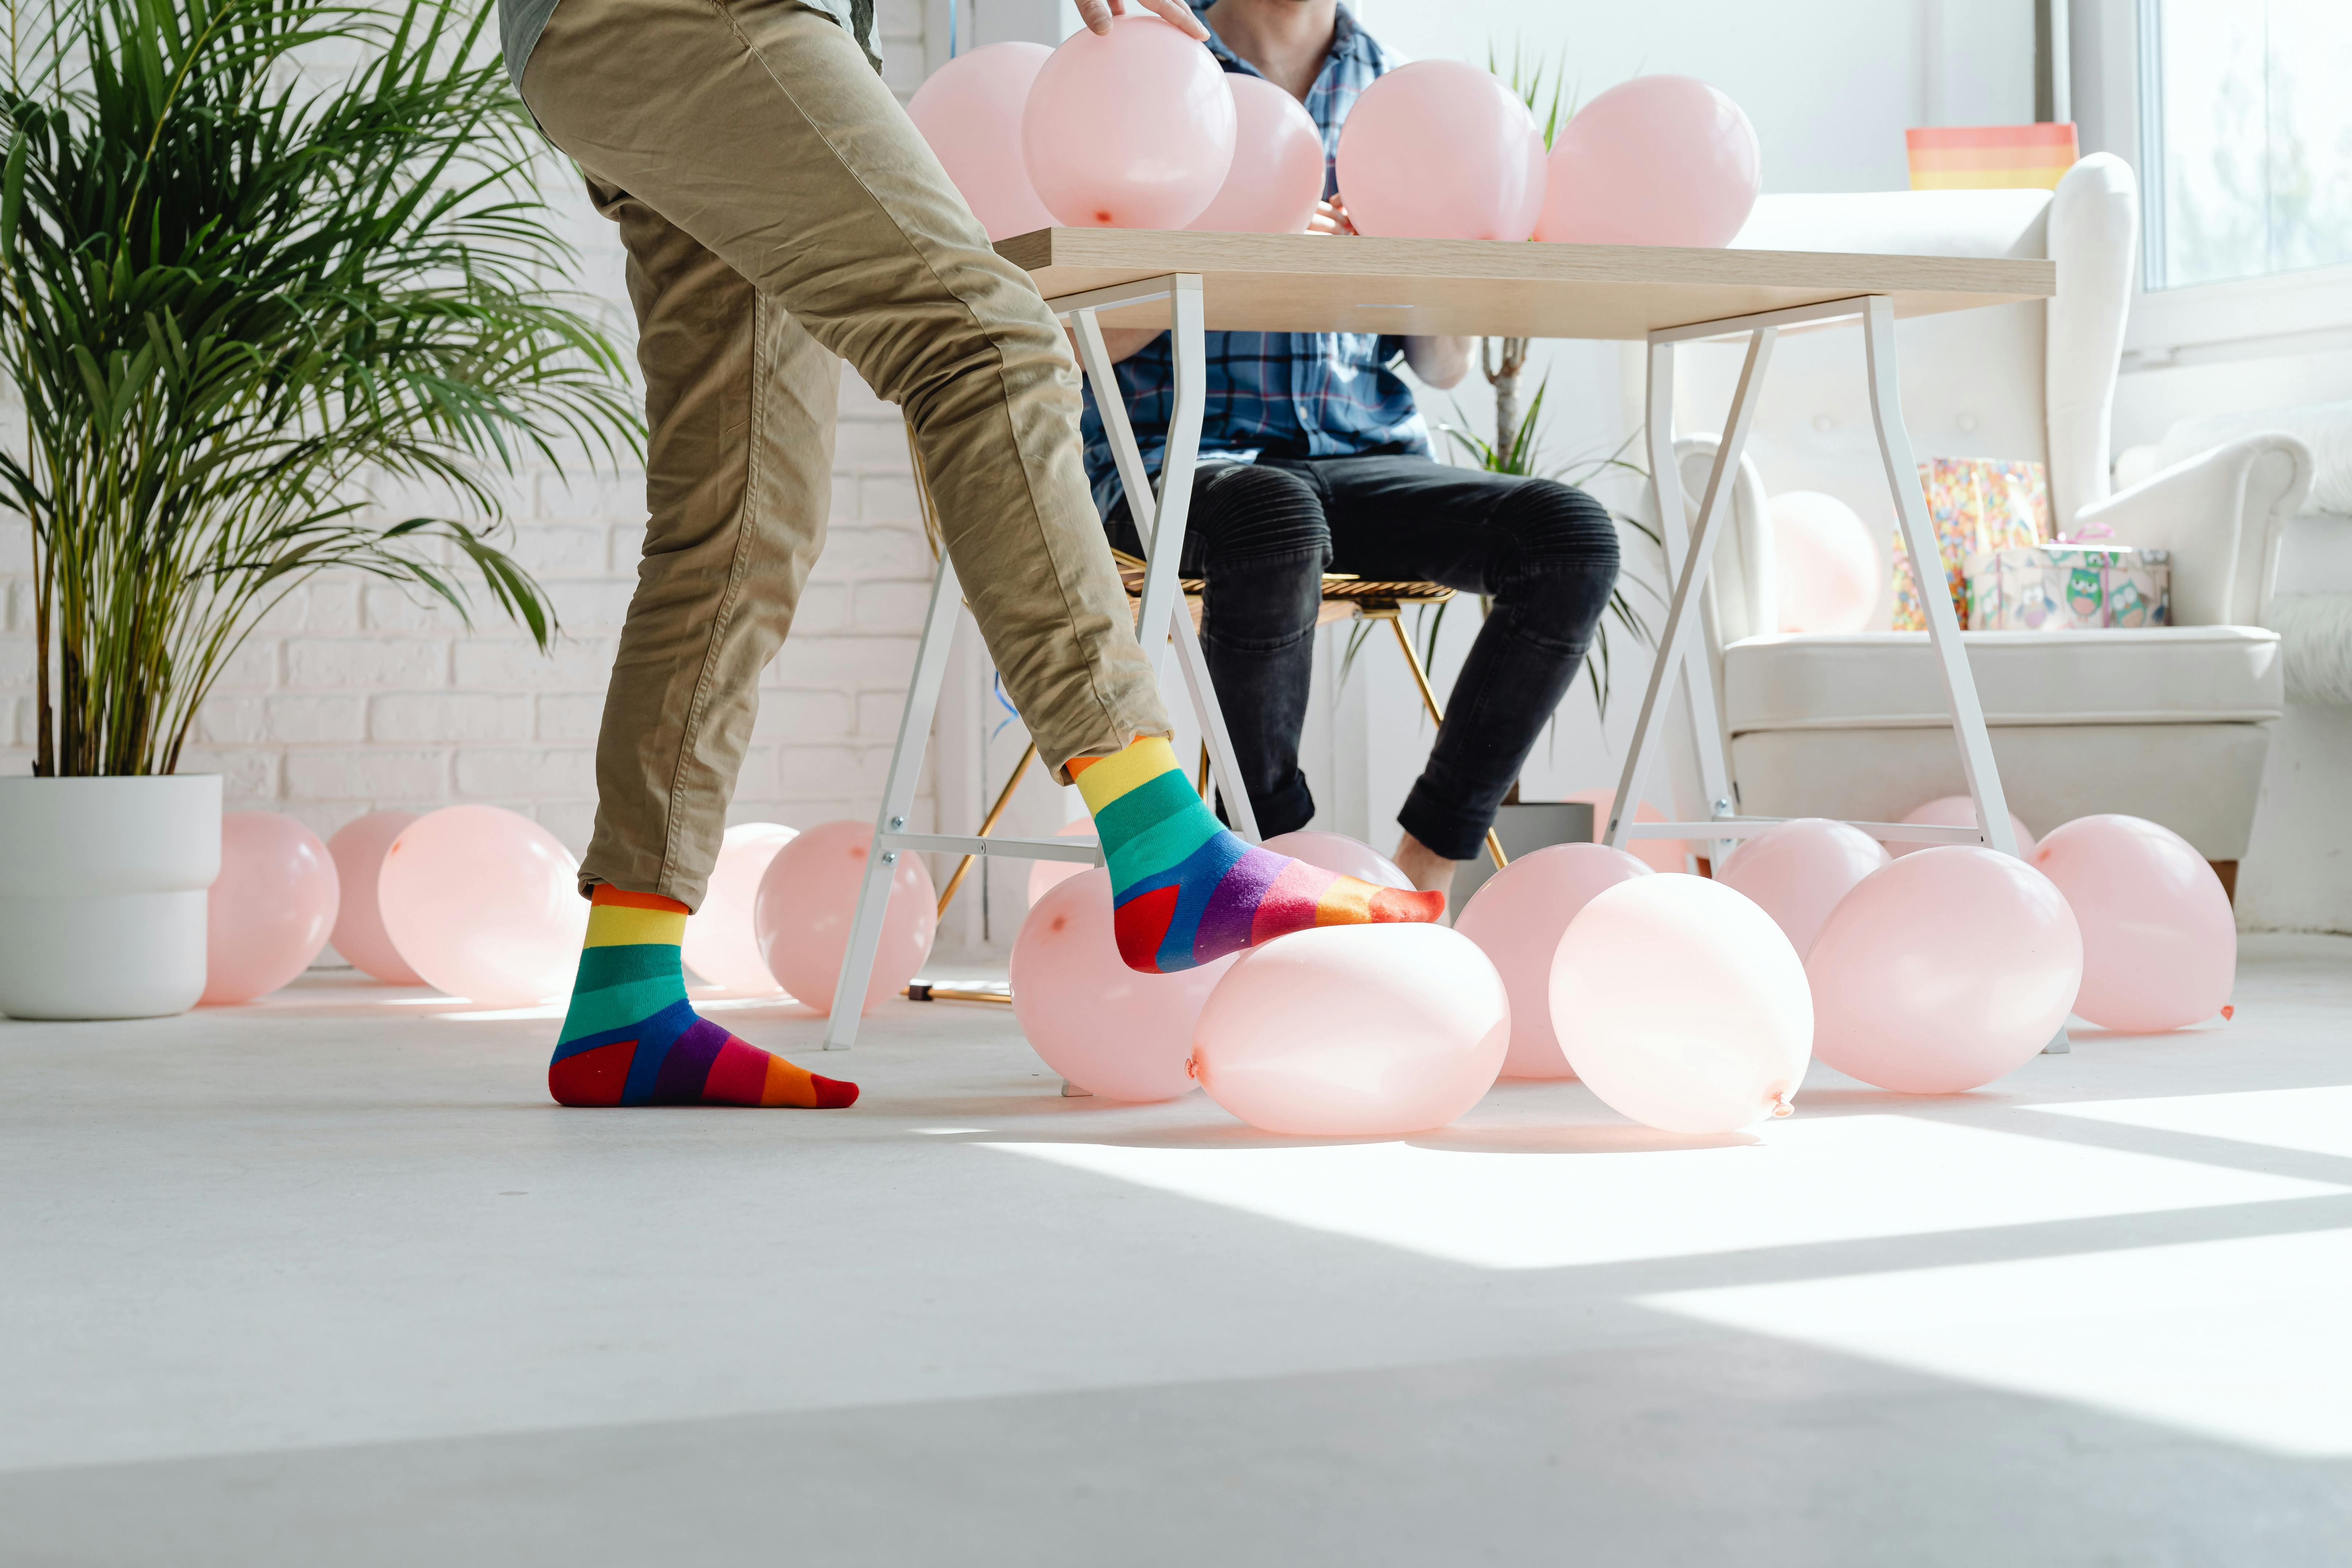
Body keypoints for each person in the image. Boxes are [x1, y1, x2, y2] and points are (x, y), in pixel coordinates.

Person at [497, 0, 1445, 1109]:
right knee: (984, 339)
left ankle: (625, 997)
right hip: (699, 13)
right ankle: (1160, 837)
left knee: (741, 519)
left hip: (599, 34)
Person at [1087, 0, 1623, 903]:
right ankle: (1262, 875)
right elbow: (1081, 340)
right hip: (1179, 463)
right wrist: (1239, 257)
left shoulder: (1406, 98)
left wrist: (1408, 271)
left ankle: (1425, 870)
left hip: (1363, 458)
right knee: (1273, 517)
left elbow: (1443, 367)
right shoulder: (1151, 72)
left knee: (1569, 538)